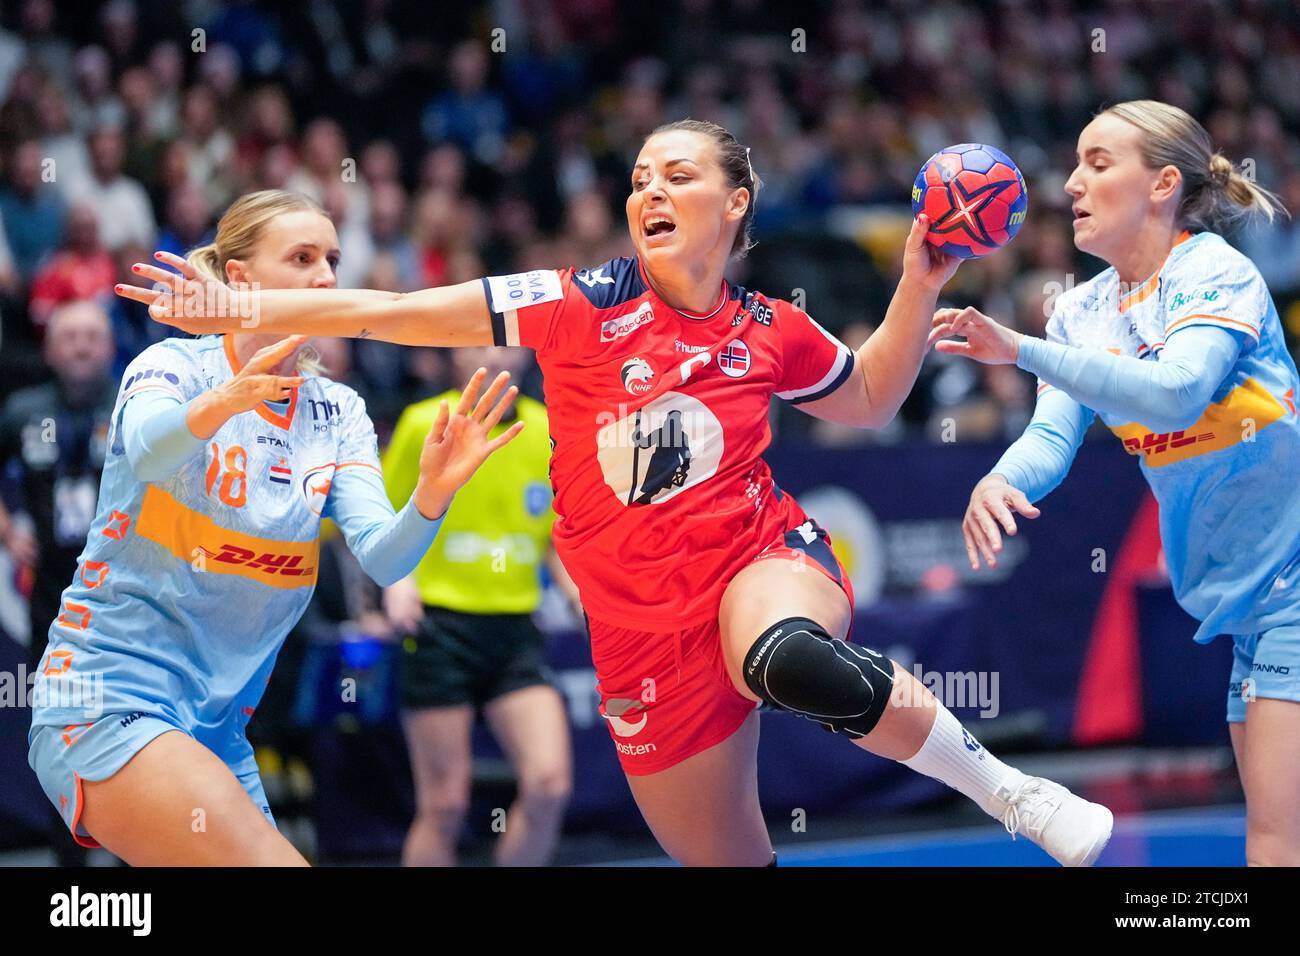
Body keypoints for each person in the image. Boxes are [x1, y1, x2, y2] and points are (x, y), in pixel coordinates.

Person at [120, 122, 1114, 867]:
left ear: (735, 202)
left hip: (758, 557)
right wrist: (241, 304)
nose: (650, 189)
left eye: (678, 174)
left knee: (781, 652)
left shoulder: (769, 326)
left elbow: (865, 395)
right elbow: (385, 312)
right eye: (639, 177)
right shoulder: (574, 301)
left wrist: (919, 276)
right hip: (638, 636)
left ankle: (1012, 792)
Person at [30, 190, 525, 866]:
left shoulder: (339, 412)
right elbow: (148, 449)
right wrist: (224, 401)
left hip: (219, 729)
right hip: (109, 698)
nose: (326, 277)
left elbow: (382, 559)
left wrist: (432, 495)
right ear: (241, 280)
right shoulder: (171, 367)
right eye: (302, 258)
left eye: (332, 259)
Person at [931, 100, 1297, 866]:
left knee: (1275, 832)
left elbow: (1174, 393)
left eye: (1098, 163)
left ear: (1163, 183)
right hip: (1245, 599)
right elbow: (1053, 436)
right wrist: (999, 480)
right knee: (1274, 829)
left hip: (1296, 580)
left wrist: (1019, 349)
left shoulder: (1214, 273)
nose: (1072, 183)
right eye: (1075, 163)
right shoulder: (1083, 314)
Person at [383, 344, 576, 867]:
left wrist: (580, 591)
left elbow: (555, 532)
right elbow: (379, 517)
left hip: (515, 630)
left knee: (549, 783)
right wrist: (395, 582)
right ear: (453, 353)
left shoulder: (546, 428)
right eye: (477, 341)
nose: (493, 354)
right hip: (438, 627)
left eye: (505, 342)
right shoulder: (426, 421)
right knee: (444, 805)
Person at [0, 300, 116, 865]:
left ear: (110, 345)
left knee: (127, 729)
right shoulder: (24, 410)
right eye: (68, 335)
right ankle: (68, 872)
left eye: (91, 336)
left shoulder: (133, 405)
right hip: (54, 601)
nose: (80, 346)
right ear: (49, 347)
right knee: (61, 731)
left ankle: (130, 861)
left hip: (126, 603)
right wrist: (5, 529)